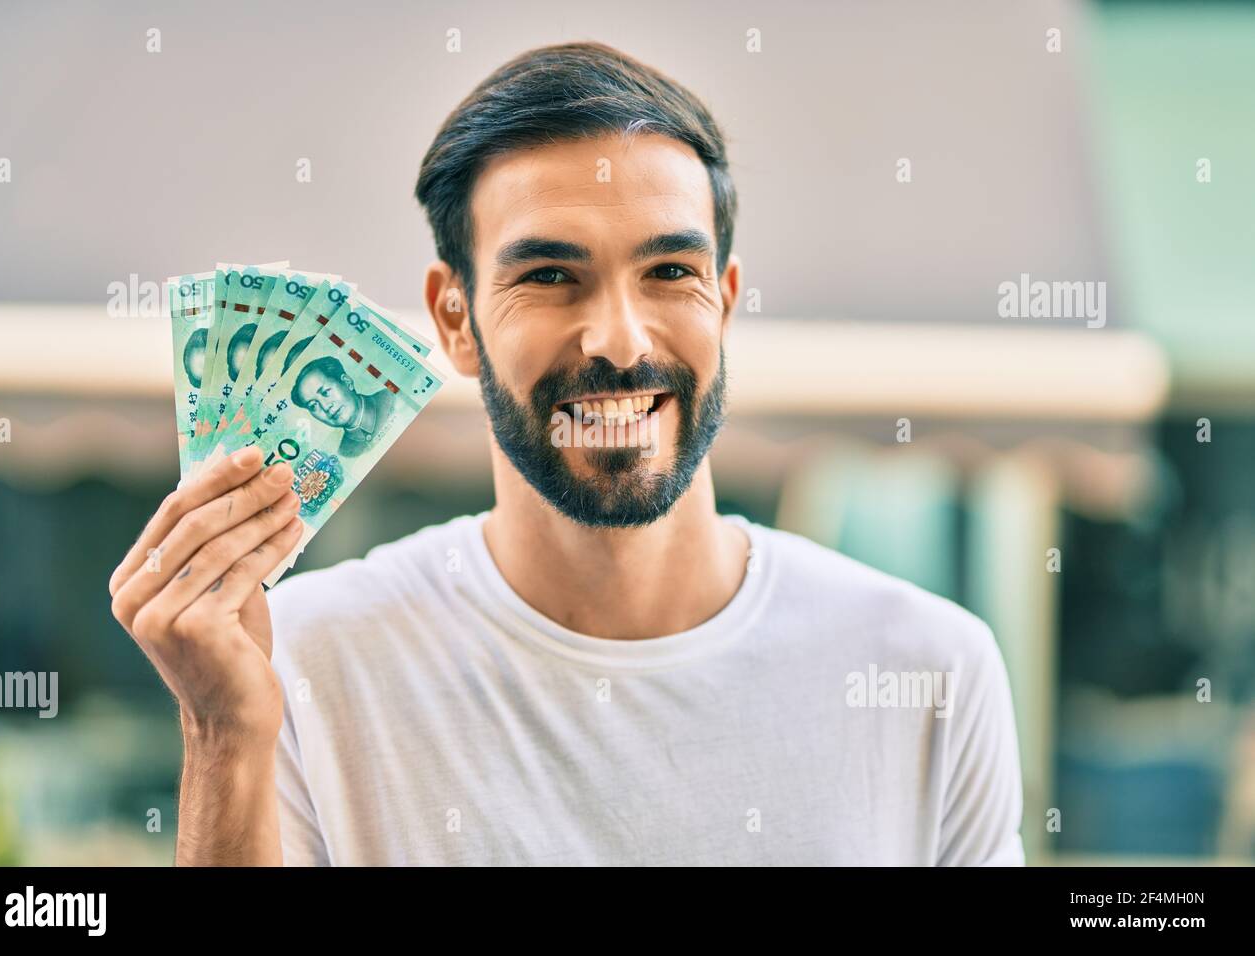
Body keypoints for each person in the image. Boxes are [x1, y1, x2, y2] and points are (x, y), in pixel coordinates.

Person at [109, 41, 1024, 866]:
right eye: (549, 275)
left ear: (726, 301)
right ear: (453, 320)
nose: (620, 342)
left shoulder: (930, 670)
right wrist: (223, 737)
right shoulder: (301, 658)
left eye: (671, 272)